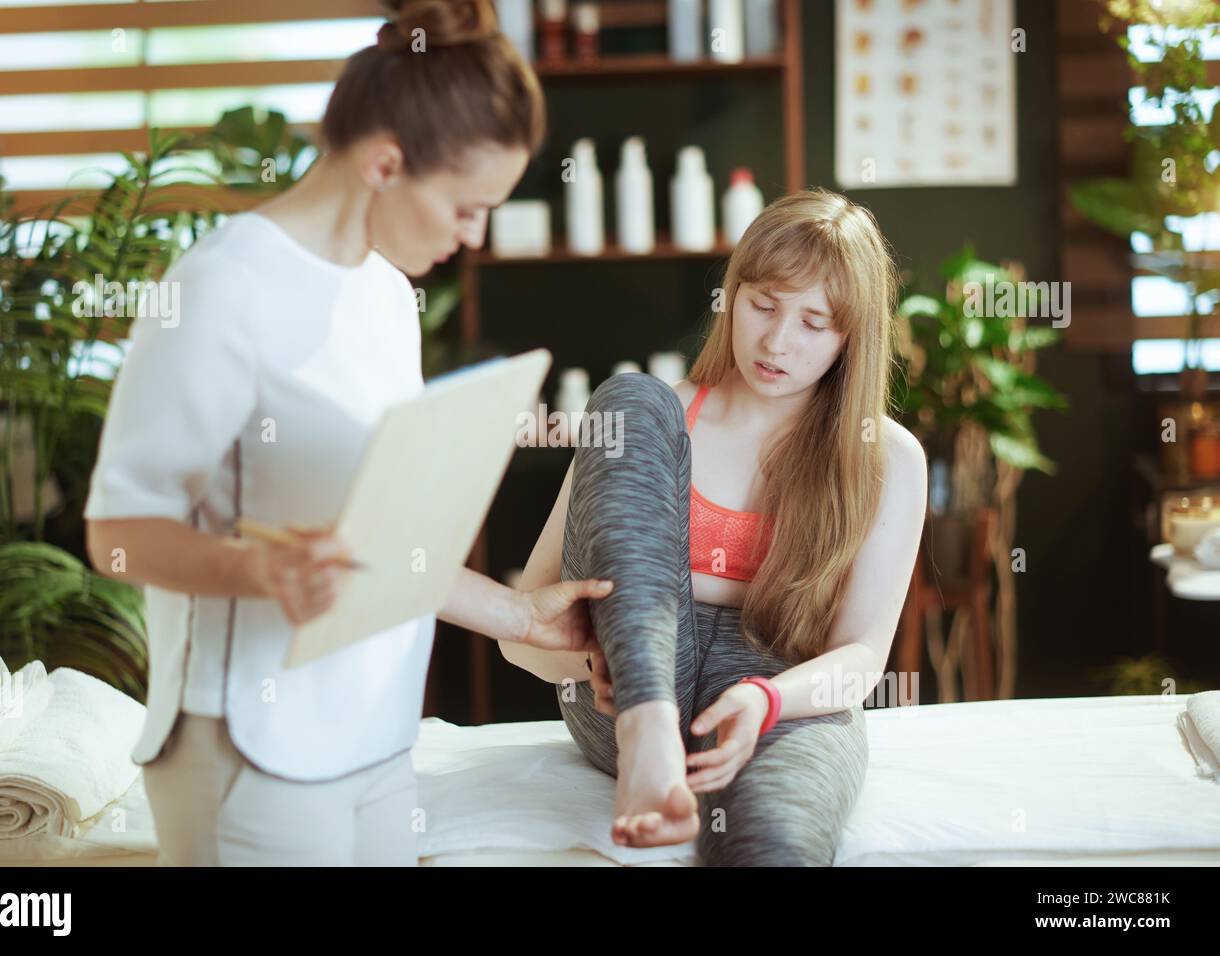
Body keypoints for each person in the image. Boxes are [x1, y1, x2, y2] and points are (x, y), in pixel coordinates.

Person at [83, 0, 612, 866]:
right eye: (467, 208)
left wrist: (517, 613)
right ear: (386, 163)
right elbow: (116, 534)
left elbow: (380, 536)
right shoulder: (222, 288)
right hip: (246, 748)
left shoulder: (380, 295)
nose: (473, 236)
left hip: (374, 735)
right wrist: (255, 570)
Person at [502, 188, 929, 865]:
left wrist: (764, 701)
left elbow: (860, 662)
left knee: (775, 845)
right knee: (631, 399)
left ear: (854, 337)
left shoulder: (887, 457)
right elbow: (519, 635)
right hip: (634, 693)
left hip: (777, 702)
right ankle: (652, 738)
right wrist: (602, 663)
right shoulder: (653, 421)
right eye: (762, 305)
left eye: (814, 323)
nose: (777, 341)